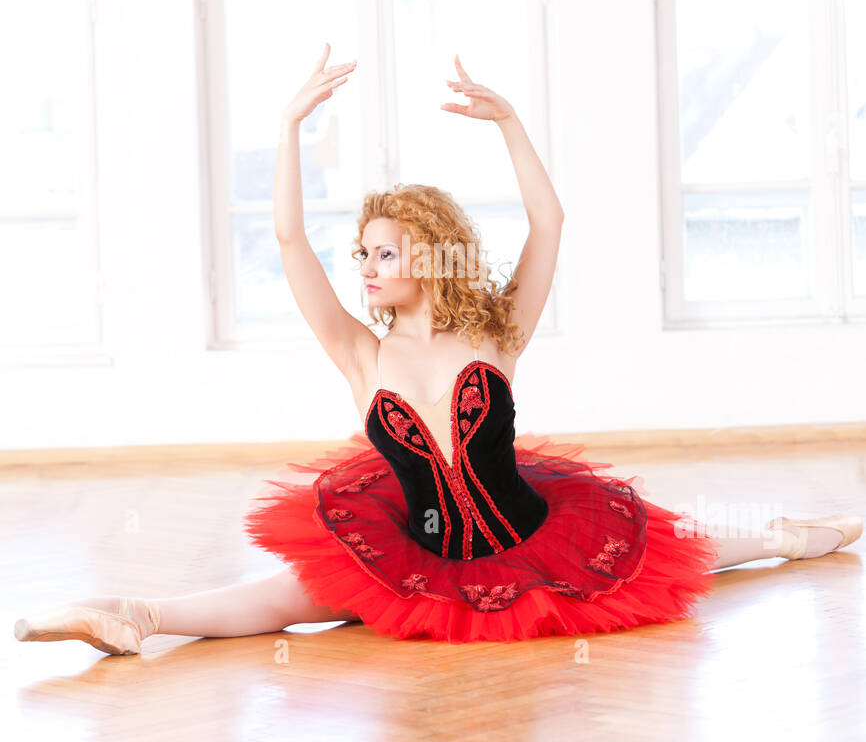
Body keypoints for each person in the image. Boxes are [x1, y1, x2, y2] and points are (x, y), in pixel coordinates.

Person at [14, 46, 862, 654]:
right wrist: (286, 129)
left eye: (385, 252)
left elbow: (550, 223)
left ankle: (799, 531)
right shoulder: (360, 355)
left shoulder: (495, 333)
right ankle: (134, 614)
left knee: (691, 544)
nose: (368, 268)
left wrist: (511, 124)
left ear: (427, 251)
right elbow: (287, 242)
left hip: (532, 539)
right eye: (364, 254)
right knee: (284, 602)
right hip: (418, 553)